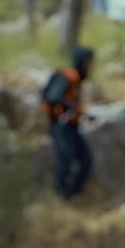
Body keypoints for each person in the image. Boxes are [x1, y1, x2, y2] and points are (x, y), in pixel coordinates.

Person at [42, 47, 96, 200]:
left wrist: (81, 113)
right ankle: (61, 195)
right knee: (64, 159)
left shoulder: (76, 79)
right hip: (61, 126)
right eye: (88, 63)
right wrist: (73, 108)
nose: (89, 67)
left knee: (86, 159)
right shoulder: (68, 76)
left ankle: (74, 193)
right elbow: (54, 97)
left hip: (71, 126)